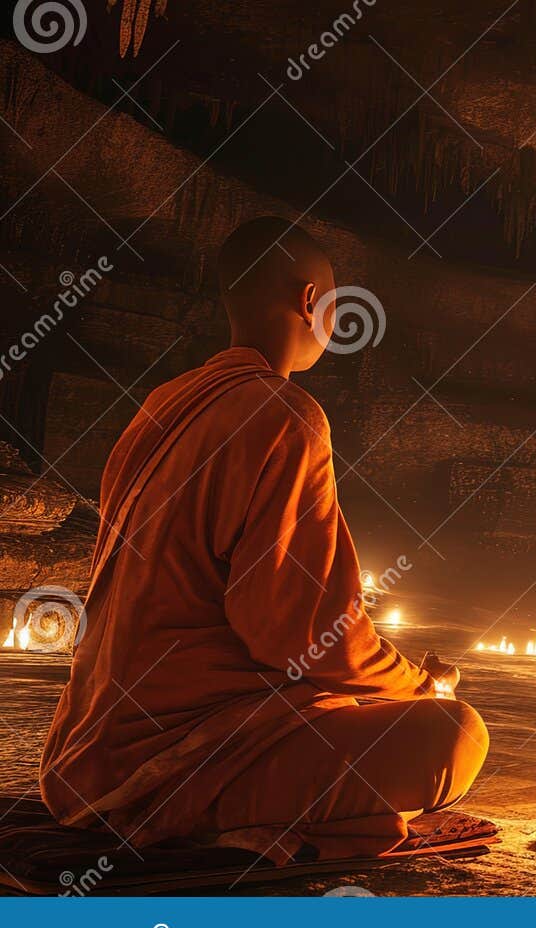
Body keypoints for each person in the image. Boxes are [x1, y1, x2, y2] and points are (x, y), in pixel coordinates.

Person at [40, 217, 488, 864]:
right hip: (174, 758)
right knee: (455, 735)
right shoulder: (287, 417)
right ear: (311, 301)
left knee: (353, 703)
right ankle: (201, 818)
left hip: (80, 759)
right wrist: (416, 683)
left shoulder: (160, 407)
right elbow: (300, 633)